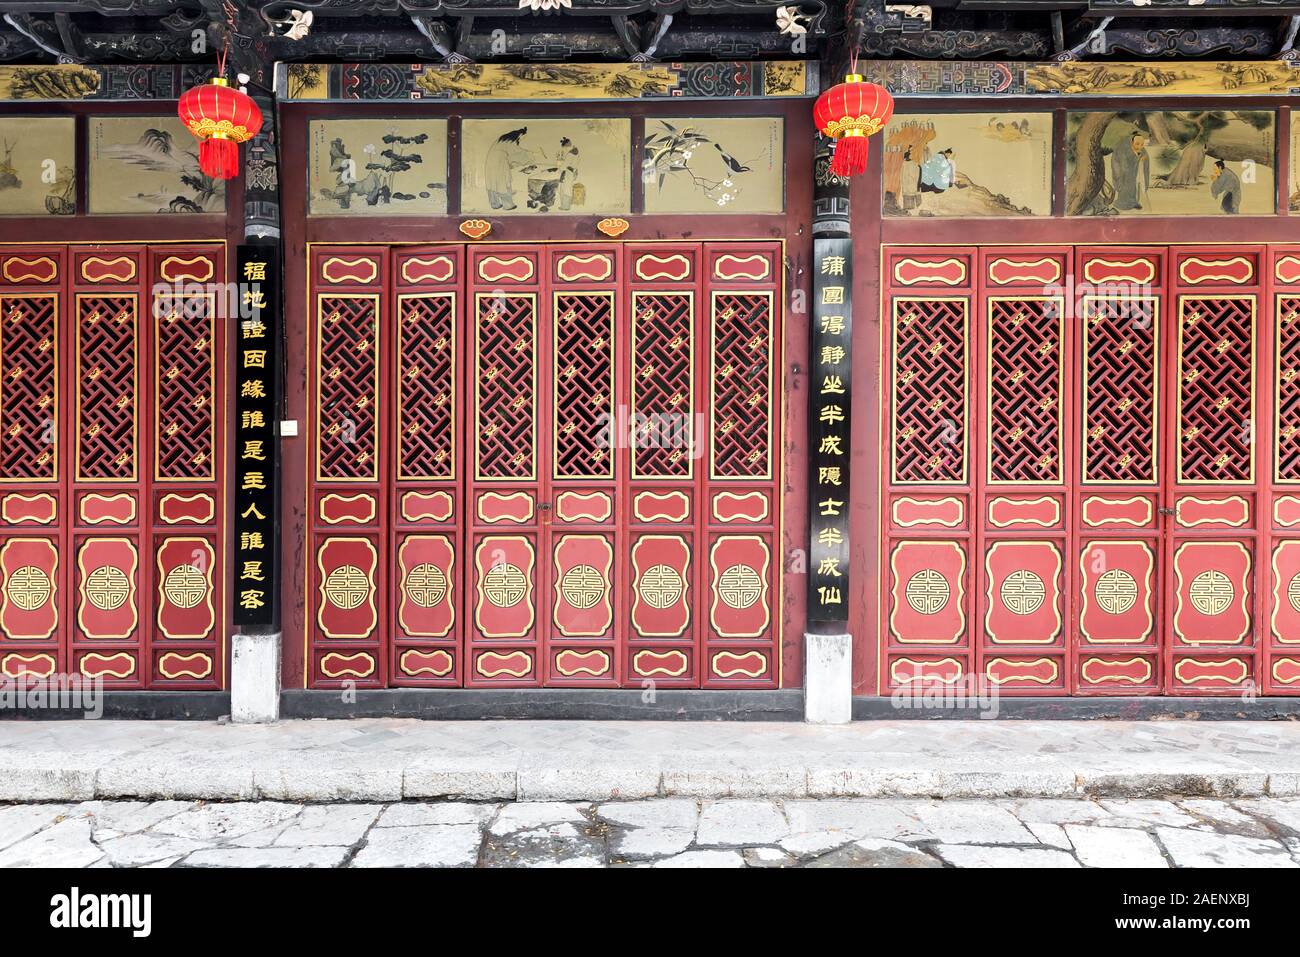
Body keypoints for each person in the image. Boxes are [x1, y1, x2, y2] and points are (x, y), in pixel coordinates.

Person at [485, 127, 537, 210]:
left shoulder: (503, 139)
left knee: (492, 181)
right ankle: (508, 205)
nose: (522, 139)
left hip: (491, 161)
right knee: (503, 181)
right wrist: (532, 154)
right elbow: (518, 152)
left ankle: (495, 204)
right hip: (499, 160)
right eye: (523, 137)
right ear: (520, 134)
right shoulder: (510, 141)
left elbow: (511, 155)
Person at [1111, 131, 1150, 210]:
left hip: (1132, 171)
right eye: (1137, 144)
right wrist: (1138, 158)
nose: (1140, 146)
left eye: (1142, 144)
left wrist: (1143, 159)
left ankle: (1134, 202)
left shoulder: (1141, 148)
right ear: (1132, 142)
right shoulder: (1123, 149)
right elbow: (1124, 166)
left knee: (1134, 183)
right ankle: (1122, 203)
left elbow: (1145, 157)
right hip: (1121, 168)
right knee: (1125, 182)